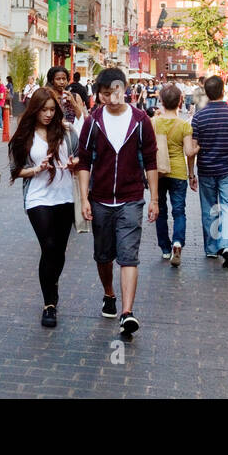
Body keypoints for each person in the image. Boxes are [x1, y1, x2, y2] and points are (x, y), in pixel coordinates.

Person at [74, 67, 158, 337]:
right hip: (99, 199)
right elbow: (84, 161)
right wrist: (84, 198)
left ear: (126, 90)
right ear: (99, 95)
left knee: (128, 256)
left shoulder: (141, 120)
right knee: (103, 255)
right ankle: (109, 294)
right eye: (106, 93)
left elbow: (152, 161)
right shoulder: (93, 121)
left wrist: (154, 198)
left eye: (116, 91)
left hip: (131, 198)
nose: (112, 97)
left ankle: (127, 312)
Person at [10, 88, 81, 328]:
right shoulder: (25, 135)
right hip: (38, 198)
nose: (49, 114)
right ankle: (49, 304)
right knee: (48, 246)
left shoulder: (66, 132)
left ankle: (52, 284)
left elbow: (82, 157)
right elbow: (15, 170)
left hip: (64, 197)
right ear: (35, 110)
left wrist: (75, 164)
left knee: (59, 251)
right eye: (44, 110)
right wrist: (35, 170)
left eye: (52, 109)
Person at [189, 75, 228, 268]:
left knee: (208, 208)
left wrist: (191, 172)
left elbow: (193, 148)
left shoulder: (199, 117)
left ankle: (212, 248)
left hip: (206, 168)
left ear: (206, 92)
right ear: (223, 91)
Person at [152, 84, 195, 267]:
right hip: (178, 172)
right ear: (180, 101)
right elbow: (188, 152)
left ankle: (165, 248)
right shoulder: (184, 125)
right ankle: (177, 242)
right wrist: (199, 147)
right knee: (179, 211)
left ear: (160, 101)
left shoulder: (154, 122)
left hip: (159, 172)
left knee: (160, 210)